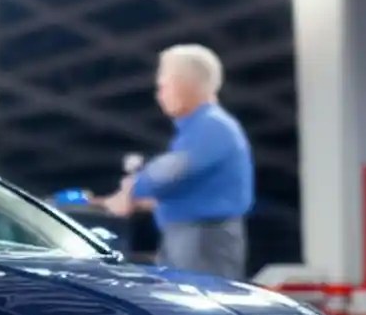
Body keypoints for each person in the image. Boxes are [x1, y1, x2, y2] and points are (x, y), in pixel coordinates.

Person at [99, 44, 254, 280]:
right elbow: (185, 187)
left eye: (164, 86)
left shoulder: (212, 126)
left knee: (198, 309)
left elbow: (169, 173)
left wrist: (132, 188)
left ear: (187, 84)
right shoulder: (198, 131)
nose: (160, 95)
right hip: (191, 237)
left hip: (203, 240)